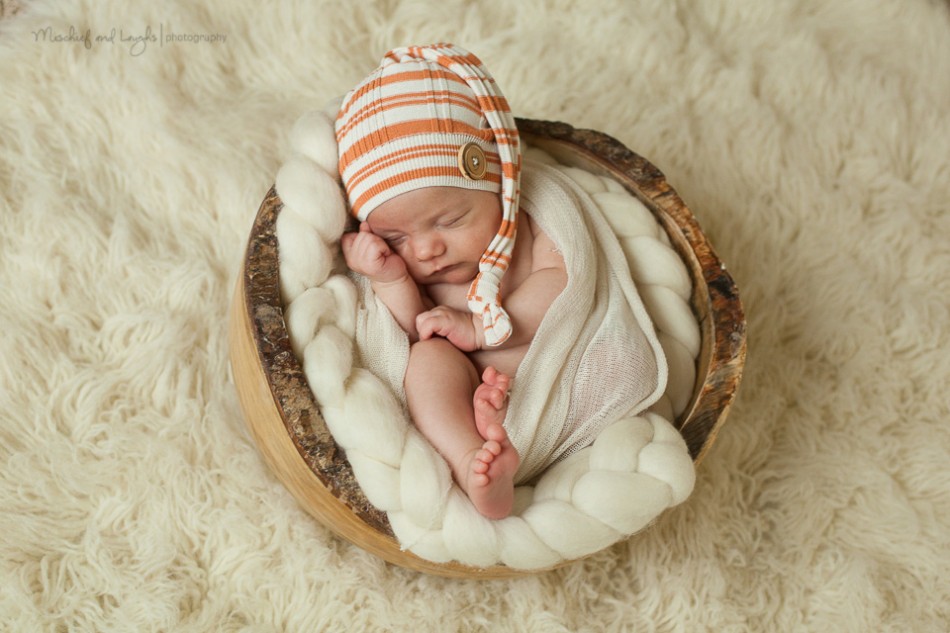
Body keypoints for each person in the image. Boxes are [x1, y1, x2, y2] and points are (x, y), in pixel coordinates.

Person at [335, 44, 566, 519]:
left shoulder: (529, 227)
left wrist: (482, 328)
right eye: (397, 236)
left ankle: (505, 441)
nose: (424, 250)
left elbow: (567, 282)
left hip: (557, 374)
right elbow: (411, 327)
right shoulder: (412, 265)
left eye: (449, 220)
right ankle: (471, 462)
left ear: (499, 184)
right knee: (427, 360)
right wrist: (390, 276)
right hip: (470, 387)